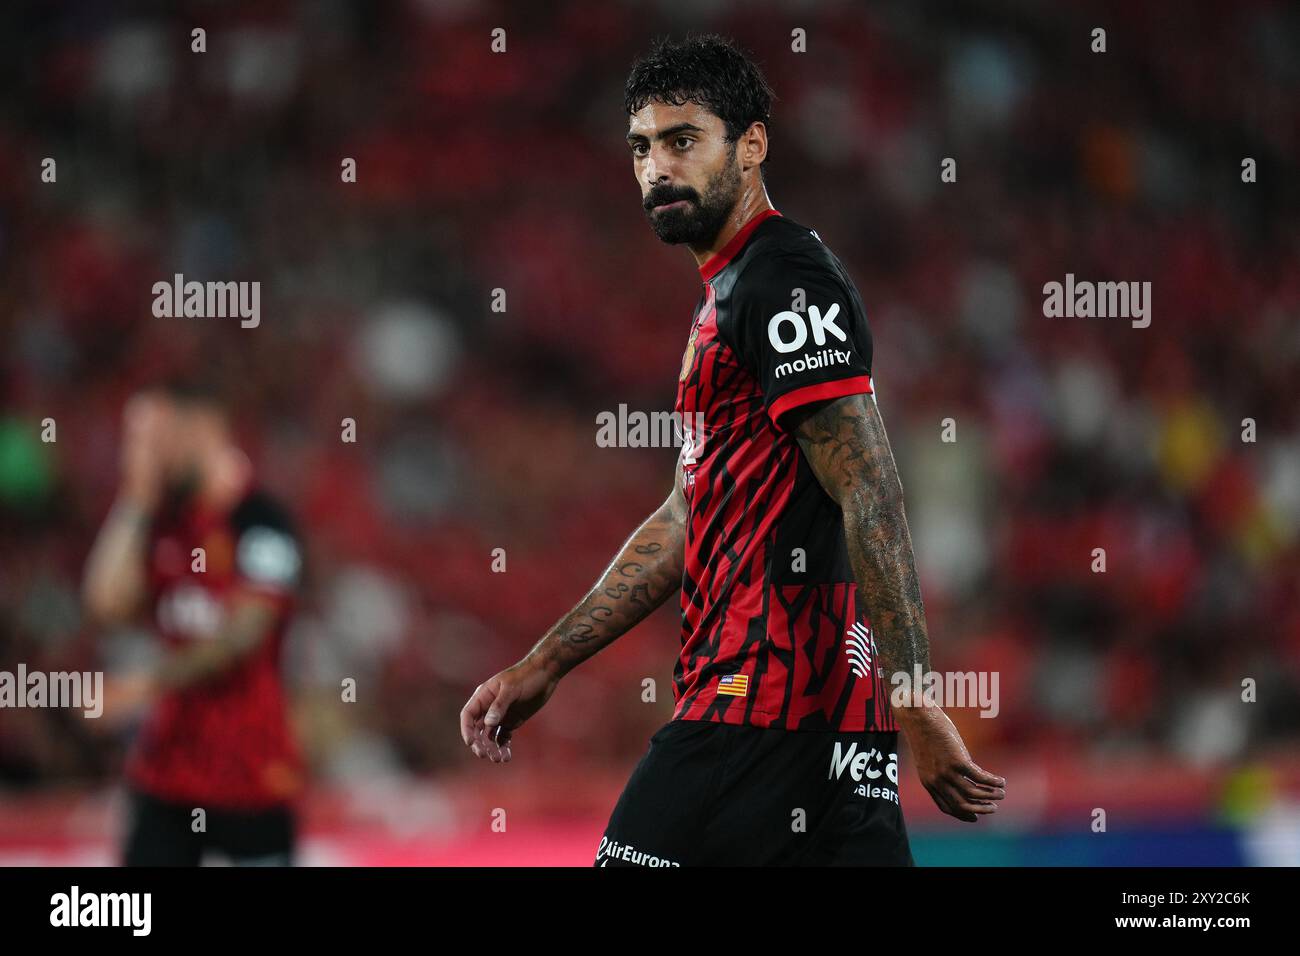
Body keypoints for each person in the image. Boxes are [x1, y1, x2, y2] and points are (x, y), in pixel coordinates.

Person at [460, 34, 1005, 866]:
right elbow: (689, 513)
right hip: (829, 733)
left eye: (683, 141)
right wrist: (546, 662)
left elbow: (871, 488)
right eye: (641, 147)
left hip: (754, 710)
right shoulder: (731, 293)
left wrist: (918, 698)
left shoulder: (782, 280)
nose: (656, 168)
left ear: (751, 144)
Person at [82, 384, 305, 866]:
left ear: (202, 430)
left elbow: (244, 636)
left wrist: (146, 684)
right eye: (134, 442)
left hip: (250, 772)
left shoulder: (260, 521)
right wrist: (133, 503)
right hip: (166, 772)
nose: (142, 455)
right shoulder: (162, 523)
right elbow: (106, 603)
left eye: (152, 439)